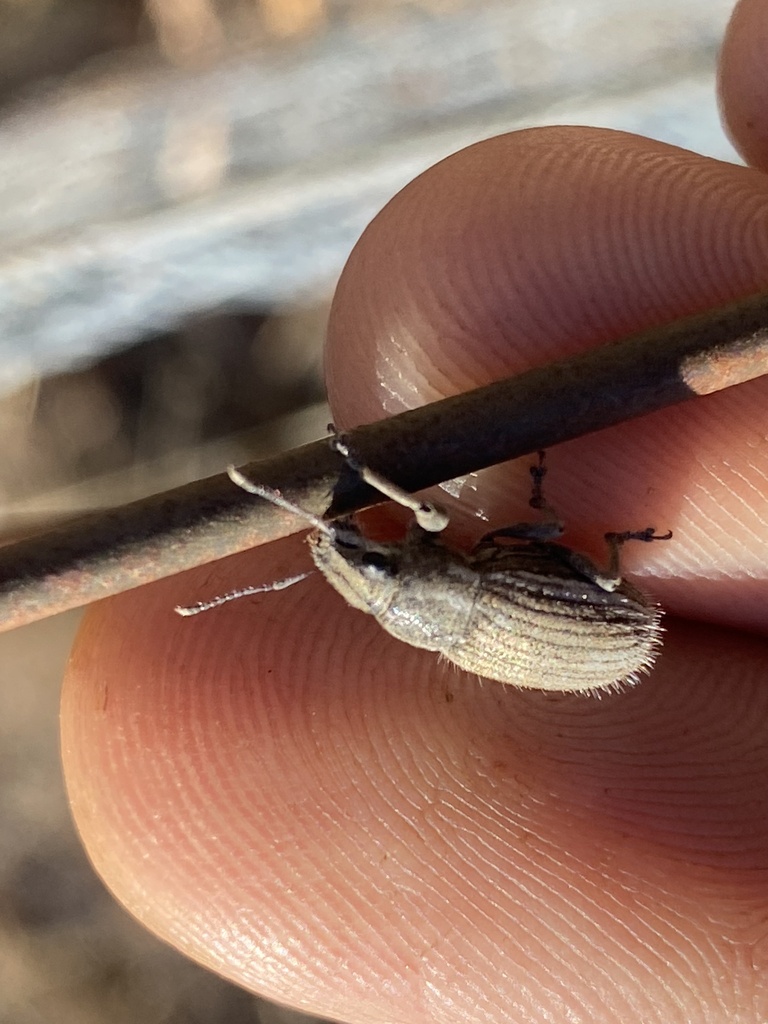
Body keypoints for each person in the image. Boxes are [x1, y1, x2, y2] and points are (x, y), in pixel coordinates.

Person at [61, 1, 768, 1019]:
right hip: (598, 625)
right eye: (380, 569)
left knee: (528, 522)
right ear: (410, 592)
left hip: (585, 628)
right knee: (538, 533)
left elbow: (445, 543)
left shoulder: (445, 605)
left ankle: (612, 544)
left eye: (373, 569)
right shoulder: (452, 587)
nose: (372, 555)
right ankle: (614, 544)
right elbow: (461, 538)